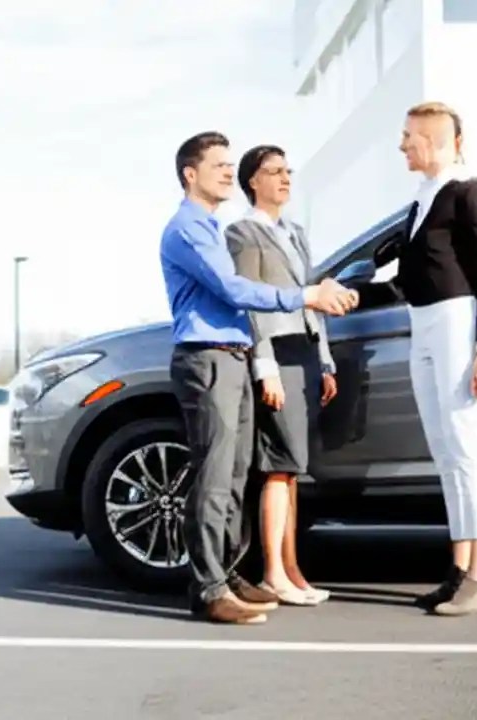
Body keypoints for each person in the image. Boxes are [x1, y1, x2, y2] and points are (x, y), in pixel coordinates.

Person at [159, 131, 358, 625]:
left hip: (232, 356)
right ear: (190, 173)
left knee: (235, 475)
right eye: (219, 166)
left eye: (231, 164)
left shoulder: (210, 225)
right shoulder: (188, 230)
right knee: (213, 476)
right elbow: (232, 288)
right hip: (206, 359)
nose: (228, 172)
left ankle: (225, 573)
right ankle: (207, 587)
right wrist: (304, 297)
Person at [361, 102, 477, 616]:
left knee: (467, 448)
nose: (402, 146)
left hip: (455, 323)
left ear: (436, 140)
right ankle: (462, 568)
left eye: (408, 137)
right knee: (445, 451)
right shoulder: (424, 198)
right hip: (422, 323)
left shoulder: (469, 192)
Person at [225, 145, 334, 607]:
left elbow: (313, 298)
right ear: (253, 181)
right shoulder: (243, 235)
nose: (285, 179)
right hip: (277, 356)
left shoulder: (296, 232)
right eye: (274, 172)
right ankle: (274, 572)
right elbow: (250, 305)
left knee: (290, 471)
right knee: (278, 466)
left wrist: (325, 359)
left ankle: (293, 570)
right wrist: (264, 367)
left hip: (304, 352)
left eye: (288, 171)